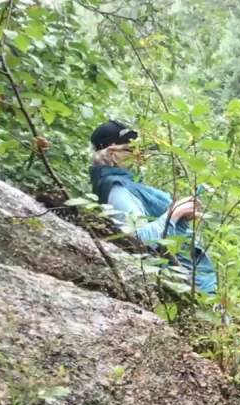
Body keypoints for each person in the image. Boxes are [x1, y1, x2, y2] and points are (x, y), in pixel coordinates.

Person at [88, 120, 217, 294]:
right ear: (113, 154)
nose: (142, 156)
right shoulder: (117, 189)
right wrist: (173, 215)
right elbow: (135, 239)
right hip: (180, 282)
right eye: (132, 150)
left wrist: (181, 214)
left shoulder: (127, 184)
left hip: (189, 276)